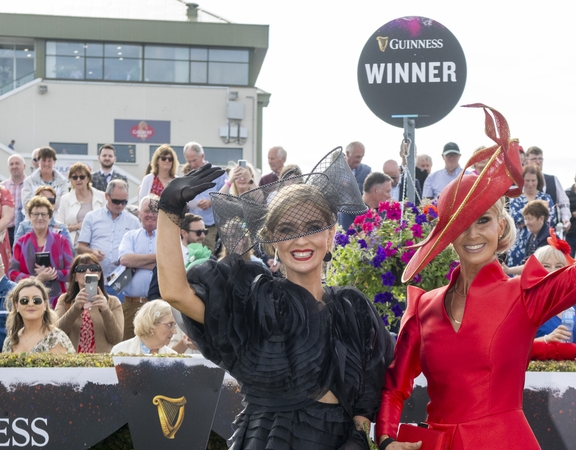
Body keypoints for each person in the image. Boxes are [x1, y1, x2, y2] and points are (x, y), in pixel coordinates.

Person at [376, 109, 576, 450]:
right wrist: (386, 440)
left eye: (483, 220)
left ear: (501, 226)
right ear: (447, 234)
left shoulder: (523, 294)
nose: (472, 234)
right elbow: (394, 387)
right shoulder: (424, 307)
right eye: (461, 225)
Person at [157, 147, 393, 449]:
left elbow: (367, 398)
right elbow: (175, 292)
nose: (301, 239)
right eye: (287, 230)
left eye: (313, 227)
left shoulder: (353, 308)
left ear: (331, 235)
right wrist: (169, 211)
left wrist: (360, 438)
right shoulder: (253, 301)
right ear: (270, 241)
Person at [77, 180, 141, 297]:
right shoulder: (92, 217)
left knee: (118, 312)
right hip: (93, 276)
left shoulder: (133, 221)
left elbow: (138, 251)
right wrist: (92, 252)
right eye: (116, 201)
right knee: (92, 308)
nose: (120, 205)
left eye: (124, 202)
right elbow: (80, 247)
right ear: (106, 196)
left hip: (122, 279)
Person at [9, 196, 74, 306]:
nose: (40, 217)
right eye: (35, 214)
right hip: (28, 299)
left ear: (49, 217)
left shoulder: (61, 241)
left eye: (44, 214)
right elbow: (12, 273)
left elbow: (71, 272)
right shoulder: (21, 243)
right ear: (29, 217)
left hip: (58, 301)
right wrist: (34, 279)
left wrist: (54, 274)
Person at [55, 254, 124, 353]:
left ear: (99, 275)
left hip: (100, 365)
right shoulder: (65, 300)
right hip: (71, 364)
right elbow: (56, 334)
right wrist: (75, 308)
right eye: (81, 269)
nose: (88, 272)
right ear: (74, 277)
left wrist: (105, 310)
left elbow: (116, 339)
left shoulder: (112, 302)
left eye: (93, 268)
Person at [532, 244, 576, 351]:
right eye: (546, 266)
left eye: (558, 266)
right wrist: (546, 339)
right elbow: (512, 346)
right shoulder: (528, 304)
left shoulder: (573, 302)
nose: (553, 271)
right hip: (538, 367)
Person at [118, 196, 158, 340]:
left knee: (155, 348)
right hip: (131, 305)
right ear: (139, 213)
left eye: (155, 211)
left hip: (157, 306)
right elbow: (125, 260)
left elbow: (169, 264)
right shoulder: (130, 236)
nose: (150, 214)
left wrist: (137, 261)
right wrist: (157, 258)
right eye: (147, 210)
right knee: (127, 349)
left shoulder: (167, 238)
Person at [2, 278, 74, 353]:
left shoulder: (56, 338)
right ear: (16, 306)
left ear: (45, 305)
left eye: (36, 300)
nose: (30, 304)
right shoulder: (10, 340)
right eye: (24, 300)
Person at [506, 165, 555, 268]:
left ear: (538, 181)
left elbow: (551, 220)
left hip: (540, 242)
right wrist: (536, 218)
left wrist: (526, 221)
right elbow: (515, 221)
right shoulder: (516, 199)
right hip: (518, 246)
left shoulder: (546, 197)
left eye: (533, 180)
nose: (530, 184)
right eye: (527, 180)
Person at [183, 142, 226, 251]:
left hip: (210, 225)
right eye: (189, 161)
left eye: (194, 160)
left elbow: (227, 196)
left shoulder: (218, 173)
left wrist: (211, 201)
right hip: (191, 225)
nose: (192, 164)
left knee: (207, 255)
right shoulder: (187, 176)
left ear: (202, 156)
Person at [523, 146, 571, 232]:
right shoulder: (522, 182)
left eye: (540, 159)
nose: (537, 162)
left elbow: (563, 202)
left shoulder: (553, 179)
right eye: (534, 159)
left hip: (548, 232)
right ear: (526, 160)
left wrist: (565, 218)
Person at [56, 162, 106, 245]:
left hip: (97, 243)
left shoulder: (102, 196)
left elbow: (107, 222)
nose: (78, 180)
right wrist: (76, 227)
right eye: (75, 177)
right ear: (71, 180)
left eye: (82, 177)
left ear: (88, 178)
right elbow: (58, 227)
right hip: (73, 244)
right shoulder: (65, 199)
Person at [110, 299, 177, 355]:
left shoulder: (173, 357)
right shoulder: (119, 352)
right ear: (152, 326)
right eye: (170, 325)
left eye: (174, 325)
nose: (175, 331)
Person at [505, 199, 551, 274]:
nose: (526, 223)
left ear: (541, 218)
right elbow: (526, 261)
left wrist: (508, 270)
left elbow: (535, 265)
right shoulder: (531, 235)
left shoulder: (548, 238)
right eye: (525, 219)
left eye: (529, 219)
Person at [21, 146, 69, 211]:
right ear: (38, 161)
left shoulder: (63, 181)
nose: (46, 164)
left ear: (54, 162)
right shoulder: (29, 181)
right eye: (43, 160)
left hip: (57, 219)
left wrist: (38, 199)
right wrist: (53, 200)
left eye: (49, 161)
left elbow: (65, 203)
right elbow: (27, 204)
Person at [0, 154, 26, 243]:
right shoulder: (2, 187)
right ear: (8, 167)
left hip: (25, 230)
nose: (14, 166)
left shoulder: (30, 185)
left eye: (17, 163)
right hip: (6, 231)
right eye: (11, 164)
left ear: (24, 166)